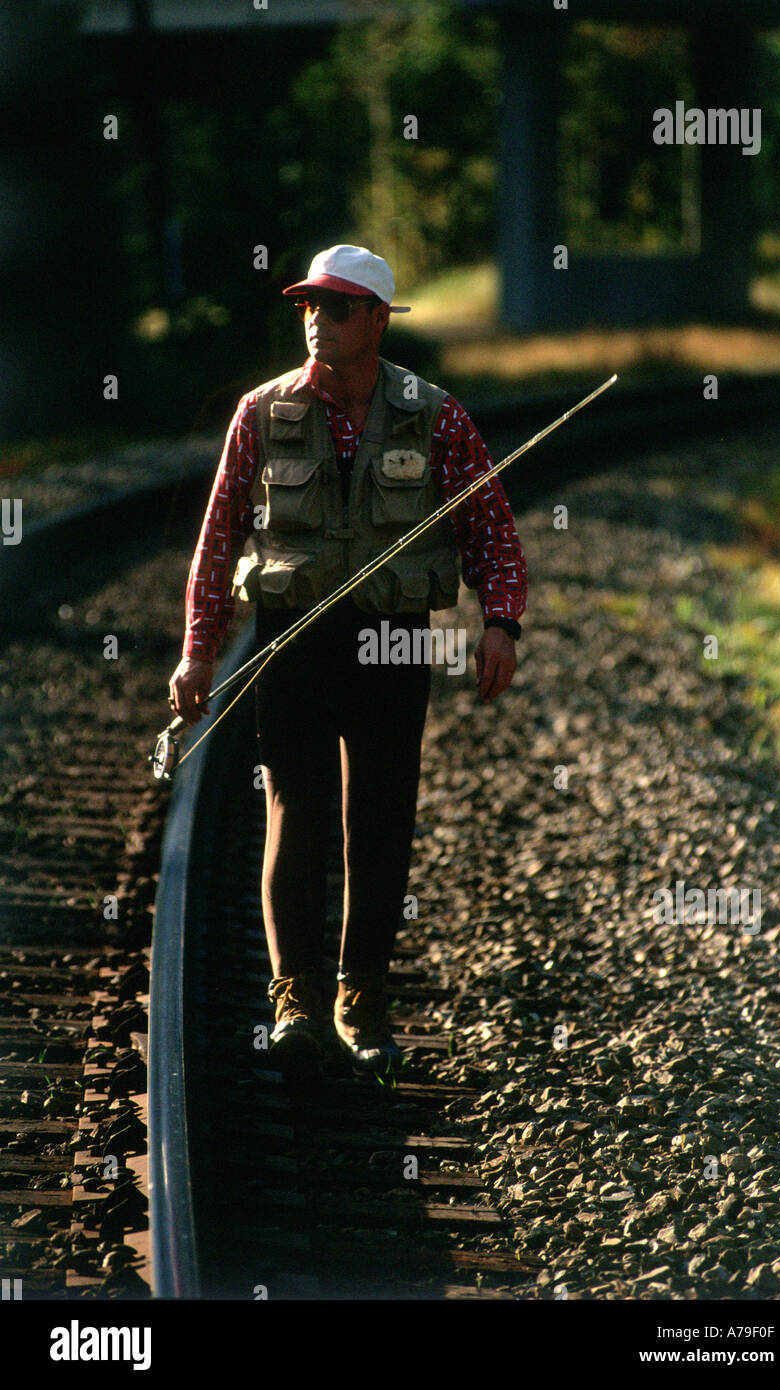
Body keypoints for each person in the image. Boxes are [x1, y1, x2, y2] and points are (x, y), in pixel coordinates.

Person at [168, 244, 527, 1077]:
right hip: (292, 639)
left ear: (376, 320)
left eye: (334, 309)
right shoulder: (260, 413)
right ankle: (295, 998)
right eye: (306, 307)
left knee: (381, 817)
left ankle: (361, 995)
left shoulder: (437, 416)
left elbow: (491, 528)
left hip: (397, 640)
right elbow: (217, 542)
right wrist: (197, 653)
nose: (315, 323)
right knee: (294, 809)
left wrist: (501, 622)